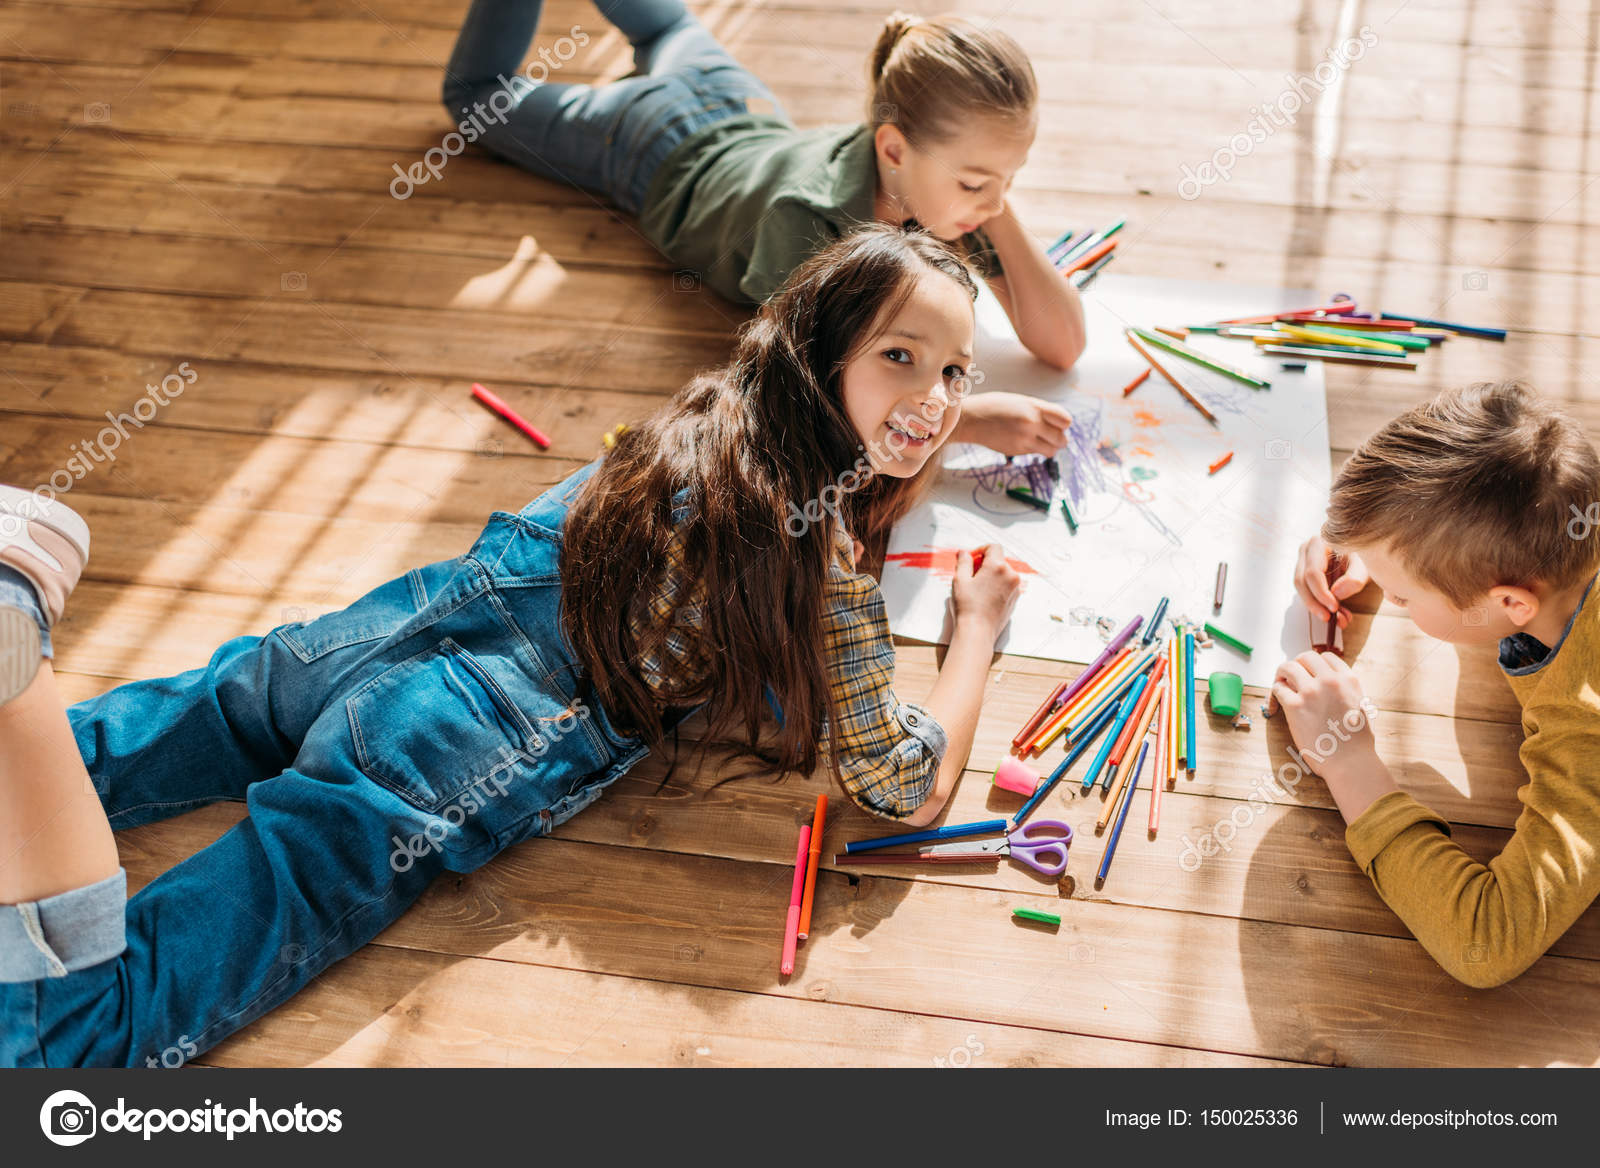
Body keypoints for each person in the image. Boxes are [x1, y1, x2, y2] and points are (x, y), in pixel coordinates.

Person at [0, 224, 1021, 1065]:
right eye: (903, 357)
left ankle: (17, 664)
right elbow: (904, 789)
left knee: (204, 715)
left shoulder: (713, 410)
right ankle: (20, 654)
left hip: (433, 612)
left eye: (954, 372)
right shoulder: (829, 563)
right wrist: (972, 634)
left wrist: (928, 419)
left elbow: (834, 419)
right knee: (141, 998)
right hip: (474, 736)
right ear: (826, 350)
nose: (934, 397)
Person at [441, 0, 1079, 456]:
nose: (994, 202)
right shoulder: (807, 227)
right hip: (649, 141)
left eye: (1012, 178)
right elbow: (789, 395)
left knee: (664, 22)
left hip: (735, 96)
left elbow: (1063, 343)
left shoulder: (953, 196)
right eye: (976, 182)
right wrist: (964, 422)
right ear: (893, 151)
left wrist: (993, 195)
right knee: (478, 97)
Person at [1279, 380, 1600, 987]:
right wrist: (1380, 542)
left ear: (1509, 601)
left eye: (1400, 595)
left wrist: (1351, 765)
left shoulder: (1586, 728)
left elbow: (1485, 943)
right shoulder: (1569, 514)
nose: (1388, 596)